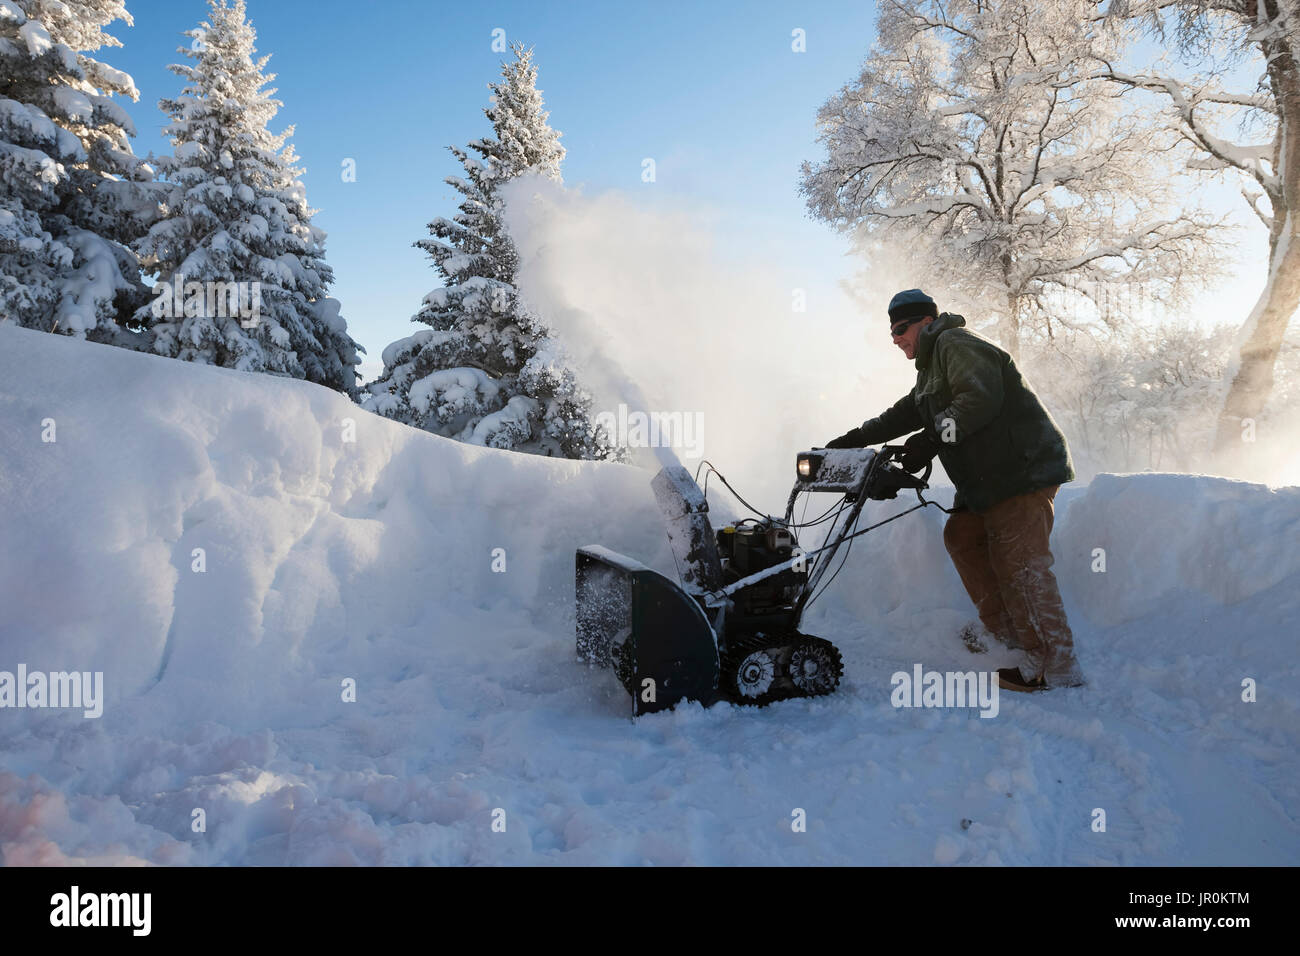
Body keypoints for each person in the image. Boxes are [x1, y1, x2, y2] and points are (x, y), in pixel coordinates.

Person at [826, 289, 1085, 692]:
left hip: (1020, 470)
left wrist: (929, 441)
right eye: (891, 331)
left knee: (1021, 563)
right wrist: (852, 440)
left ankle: (1055, 664)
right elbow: (902, 414)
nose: (895, 338)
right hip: (985, 481)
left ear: (926, 322)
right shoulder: (930, 371)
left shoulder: (955, 343)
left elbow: (979, 400)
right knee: (962, 536)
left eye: (900, 328)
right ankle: (1009, 635)